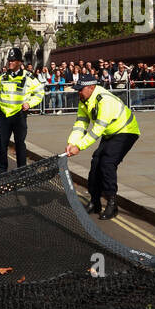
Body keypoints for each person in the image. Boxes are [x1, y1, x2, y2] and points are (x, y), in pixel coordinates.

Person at [64, 74, 140, 220]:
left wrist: (79, 147)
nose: (78, 92)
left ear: (91, 88)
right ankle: (95, 201)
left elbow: (97, 130)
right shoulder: (84, 100)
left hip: (126, 130)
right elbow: (81, 123)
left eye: (81, 89)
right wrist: (72, 142)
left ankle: (112, 203)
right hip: (110, 132)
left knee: (107, 163)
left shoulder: (105, 101)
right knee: (96, 162)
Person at [0, 47, 45, 173]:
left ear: (19, 62)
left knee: (19, 145)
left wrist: (29, 104)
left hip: (19, 116)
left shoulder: (29, 77)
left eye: (13, 60)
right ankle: (1, 172)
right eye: (9, 60)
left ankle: (21, 172)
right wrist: (1, 106)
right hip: (4, 116)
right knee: (2, 145)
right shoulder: (3, 77)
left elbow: (40, 92)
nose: (10, 62)